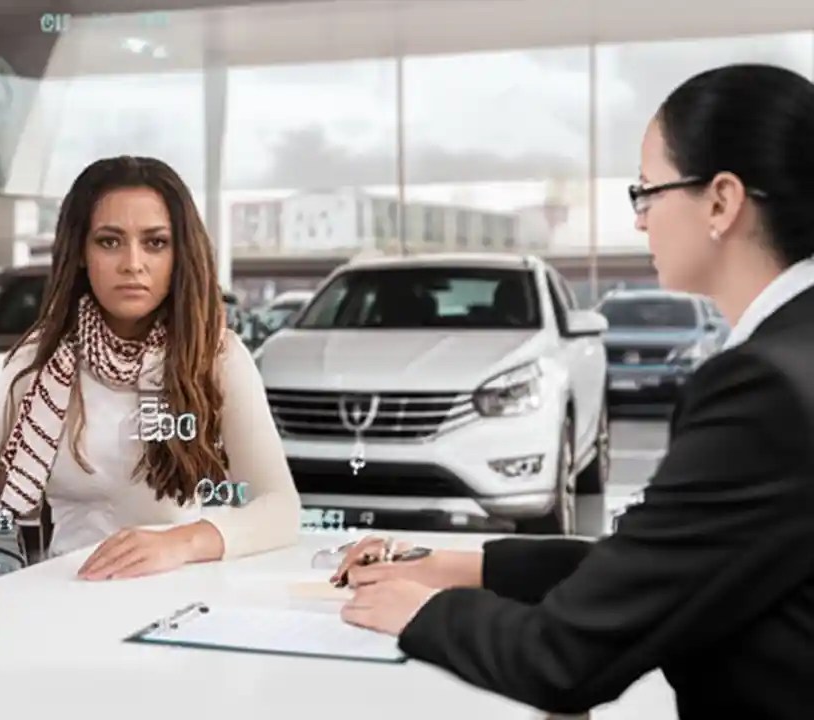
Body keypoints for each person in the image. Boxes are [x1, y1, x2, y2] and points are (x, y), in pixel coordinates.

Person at [331, 63, 814, 719]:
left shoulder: (764, 389)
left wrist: (423, 612)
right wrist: (451, 564)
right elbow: (657, 562)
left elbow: (563, 657)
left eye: (647, 192)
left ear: (721, 202)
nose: (640, 222)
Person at [0, 155, 301, 577]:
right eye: (110, 241)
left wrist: (180, 543)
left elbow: (280, 508)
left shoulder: (217, 357)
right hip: (67, 587)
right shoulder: (37, 361)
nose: (132, 263)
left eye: (155, 243)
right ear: (80, 252)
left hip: (179, 588)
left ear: (180, 254)